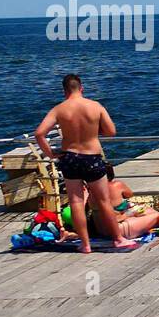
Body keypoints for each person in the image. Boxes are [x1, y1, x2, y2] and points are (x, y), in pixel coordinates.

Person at [35, 74, 136, 254]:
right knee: (104, 201)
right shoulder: (95, 106)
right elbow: (111, 131)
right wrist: (93, 131)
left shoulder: (59, 109)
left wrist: (50, 154)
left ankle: (85, 244)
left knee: (75, 201)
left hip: (70, 158)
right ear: (81, 88)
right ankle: (118, 239)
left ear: (64, 91)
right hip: (92, 157)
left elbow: (39, 134)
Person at [67, 164, 159, 240]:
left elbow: (87, 213)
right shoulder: (116, 185)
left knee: (148, 211)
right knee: (156, 216)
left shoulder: (90, 191)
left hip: (103, 229)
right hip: (120, 229)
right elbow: (129, 194)